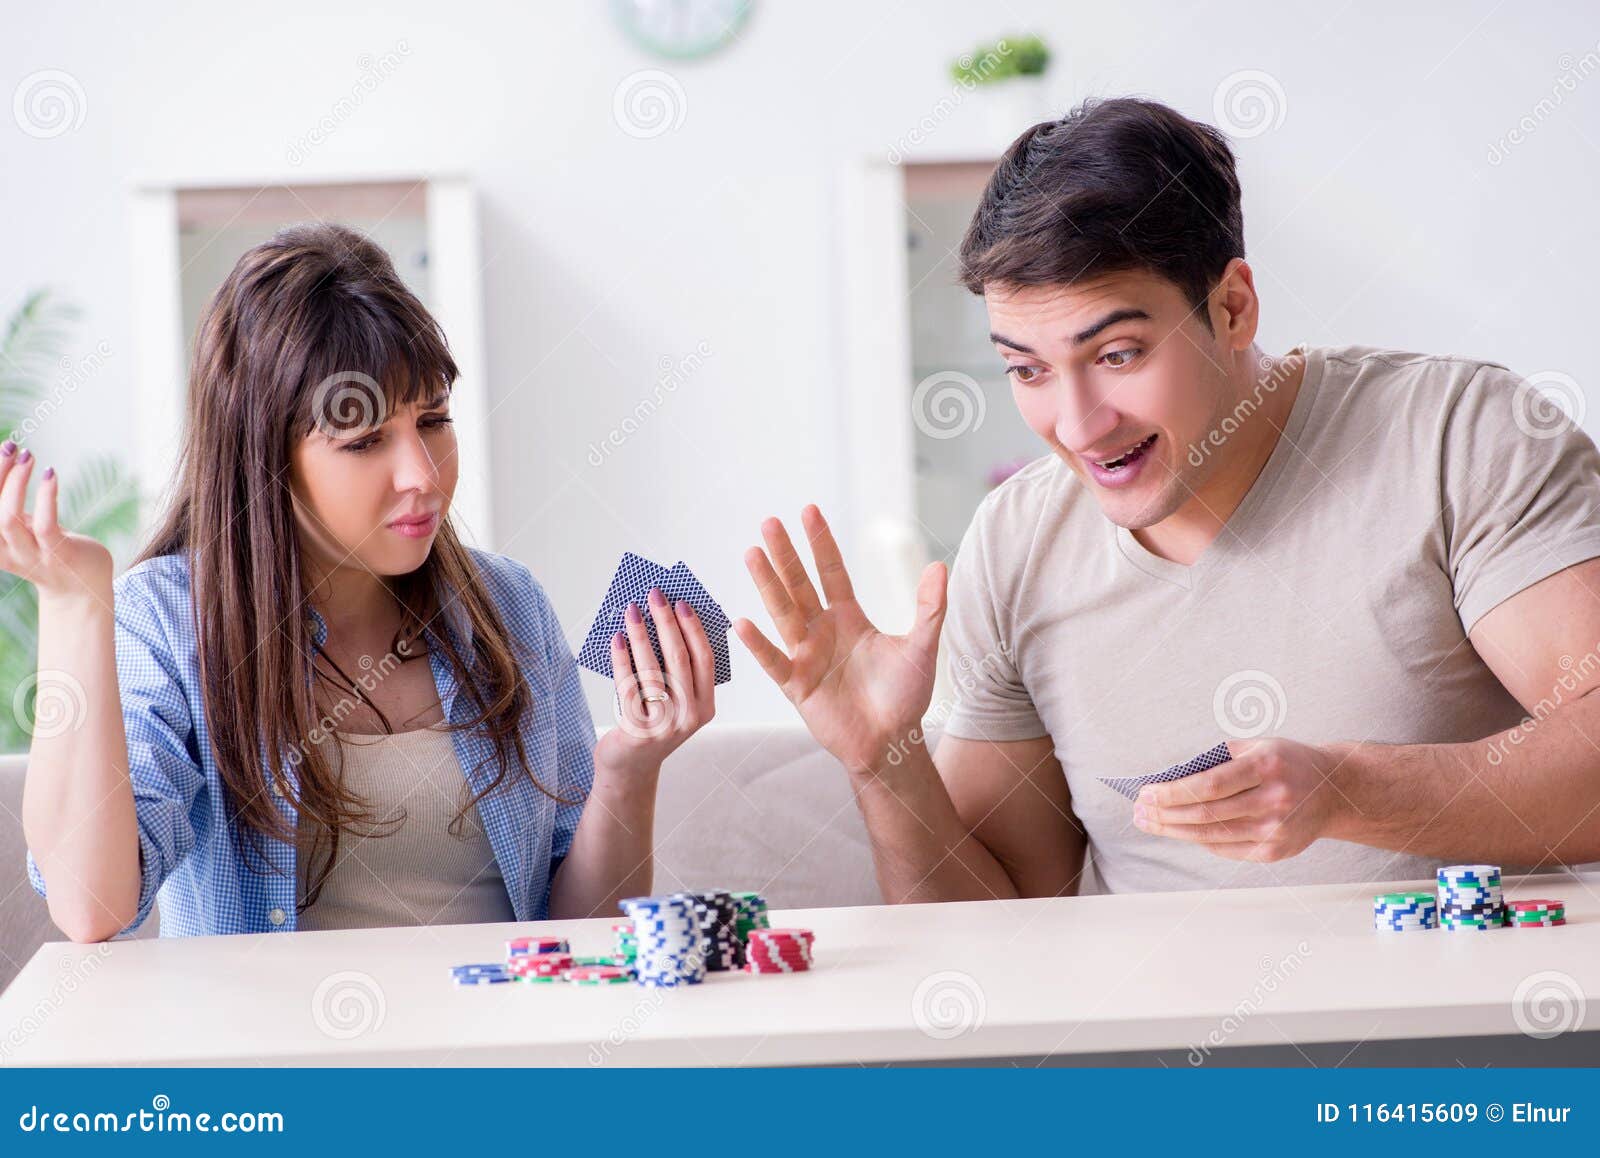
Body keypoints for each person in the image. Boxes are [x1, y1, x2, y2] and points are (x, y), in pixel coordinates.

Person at [735, 97, 1600, 903]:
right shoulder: (1017, 539)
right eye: (1027, 369)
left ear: (1232, 307)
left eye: (1117, 354)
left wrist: (1347, 792)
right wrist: (888, 763)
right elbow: (995, 929)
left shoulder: (1461, 434)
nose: (1078, 426)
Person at [8, 223, 717, 942]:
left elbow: (584, 936)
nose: (423, 474)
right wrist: (73, 607)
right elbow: (91, 908)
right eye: (365, 440)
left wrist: (629, 768)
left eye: (434, 420)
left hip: (505, 1048)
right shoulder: (163, 621)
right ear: (265, 458)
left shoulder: (511, 605)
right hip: (279, 1054)